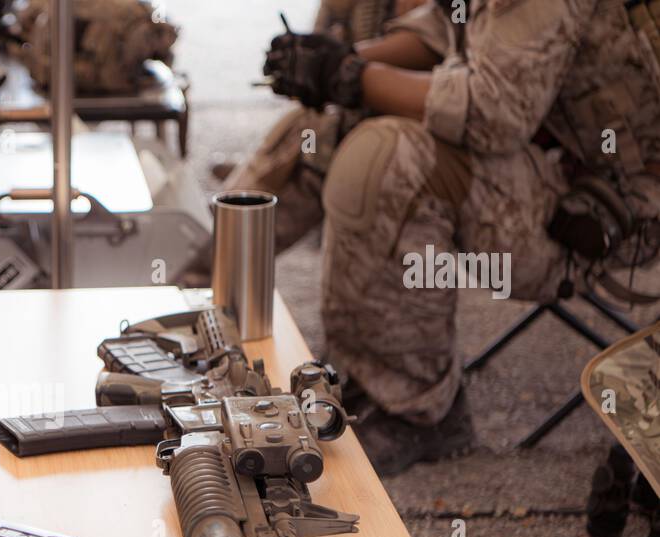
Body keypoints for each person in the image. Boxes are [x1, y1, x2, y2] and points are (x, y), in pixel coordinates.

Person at [261, 0, 660, 475]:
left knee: (388, 158)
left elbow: (490, 112)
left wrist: (351, 75)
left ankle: (418, 408)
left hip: (615, 216)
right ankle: (206, 289)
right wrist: (338, 60)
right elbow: (448, 24)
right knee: (326, 123)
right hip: (559, 163)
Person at [222, 0, 431, 249]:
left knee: (313, 145)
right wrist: (327, 63)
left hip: (408, 127)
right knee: (298, 131)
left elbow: (437, 43)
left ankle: (224, 250)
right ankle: (227, 226)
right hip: (353, 112)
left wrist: (340, 68)